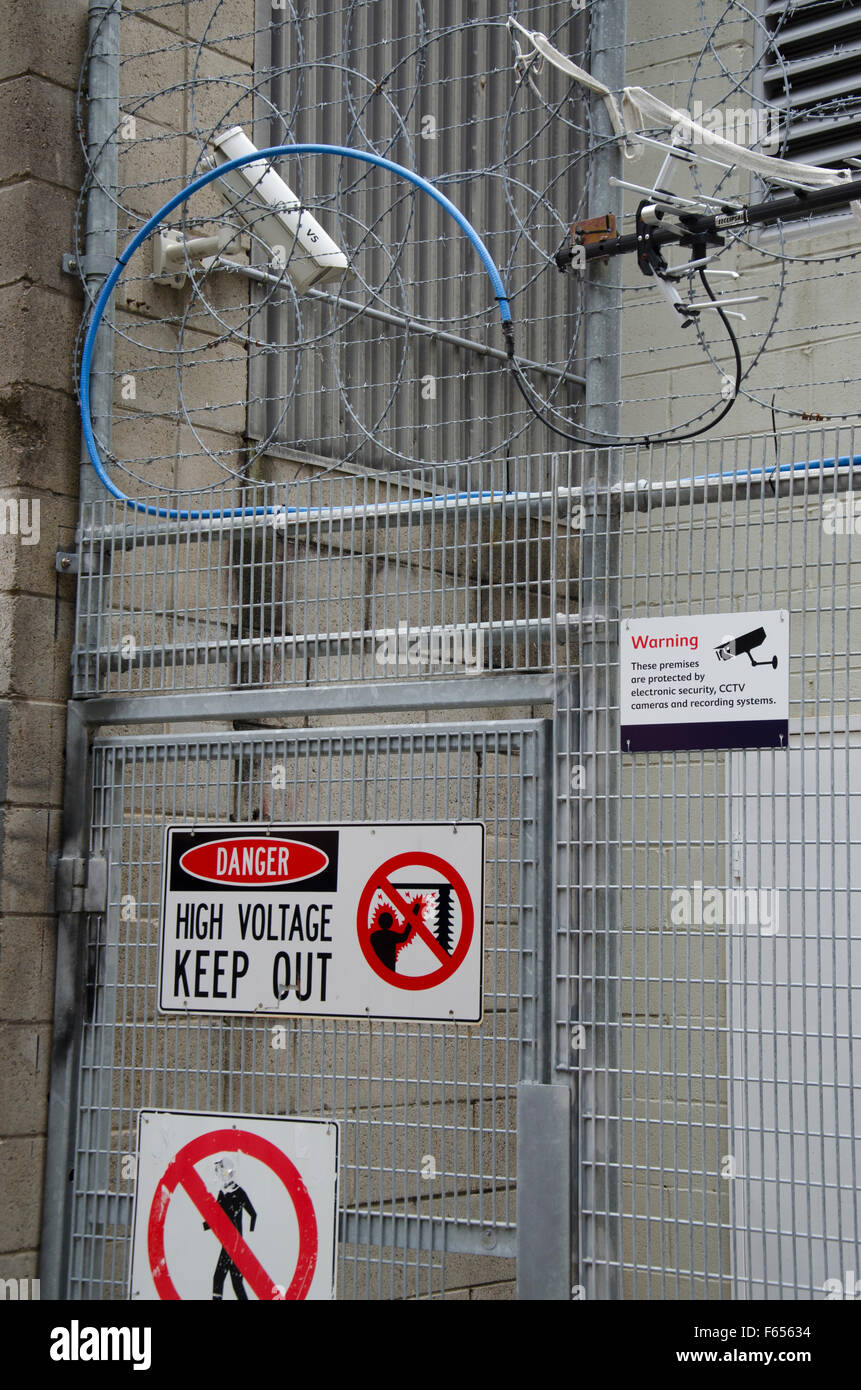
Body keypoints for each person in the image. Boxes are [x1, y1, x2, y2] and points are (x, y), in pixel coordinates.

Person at [203, 1157, 257, 1300]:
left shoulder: (239, 1193)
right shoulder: (223, 1193)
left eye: (220, 1170)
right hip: (230, 1242)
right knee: (236, 1282)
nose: (218, 1174)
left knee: (219, 1278)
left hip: (234, 1243)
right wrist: (206, 1226)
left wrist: (251, 1232)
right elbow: (216, 1215)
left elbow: (253, 1214)